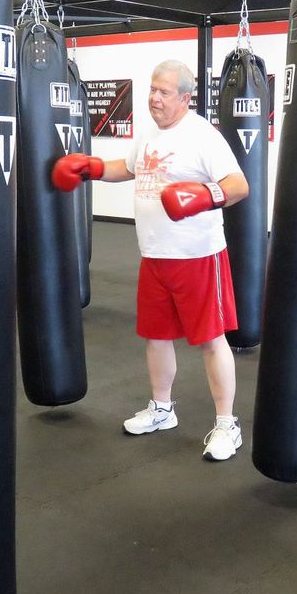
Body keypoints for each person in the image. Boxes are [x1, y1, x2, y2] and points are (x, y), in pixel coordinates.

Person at [52, 60, 250, 461]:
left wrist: (203, 196)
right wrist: (89, 168)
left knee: (212, 340)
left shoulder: (202, 135)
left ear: (184, 97)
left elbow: (239, 185)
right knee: (157, 337)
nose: (154, 99)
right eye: (152, 90)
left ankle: (228, 425)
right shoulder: (147, 134)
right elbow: (125, 169)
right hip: (154, 254)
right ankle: (162, 409)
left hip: (197, 255)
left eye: (163, 92)